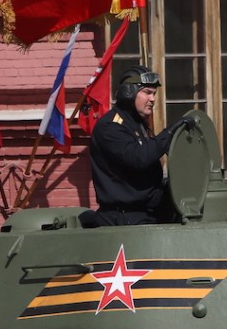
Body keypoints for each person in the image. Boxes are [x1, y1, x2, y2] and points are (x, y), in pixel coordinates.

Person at [82, 66, 194, 226]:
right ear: (129, 93)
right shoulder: (110, 127)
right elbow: (139, 158)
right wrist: (168, 133)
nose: (153, 99)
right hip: (125, 218)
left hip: (148, 213)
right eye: (147, 92)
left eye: (154, 94)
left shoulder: (137, 124)